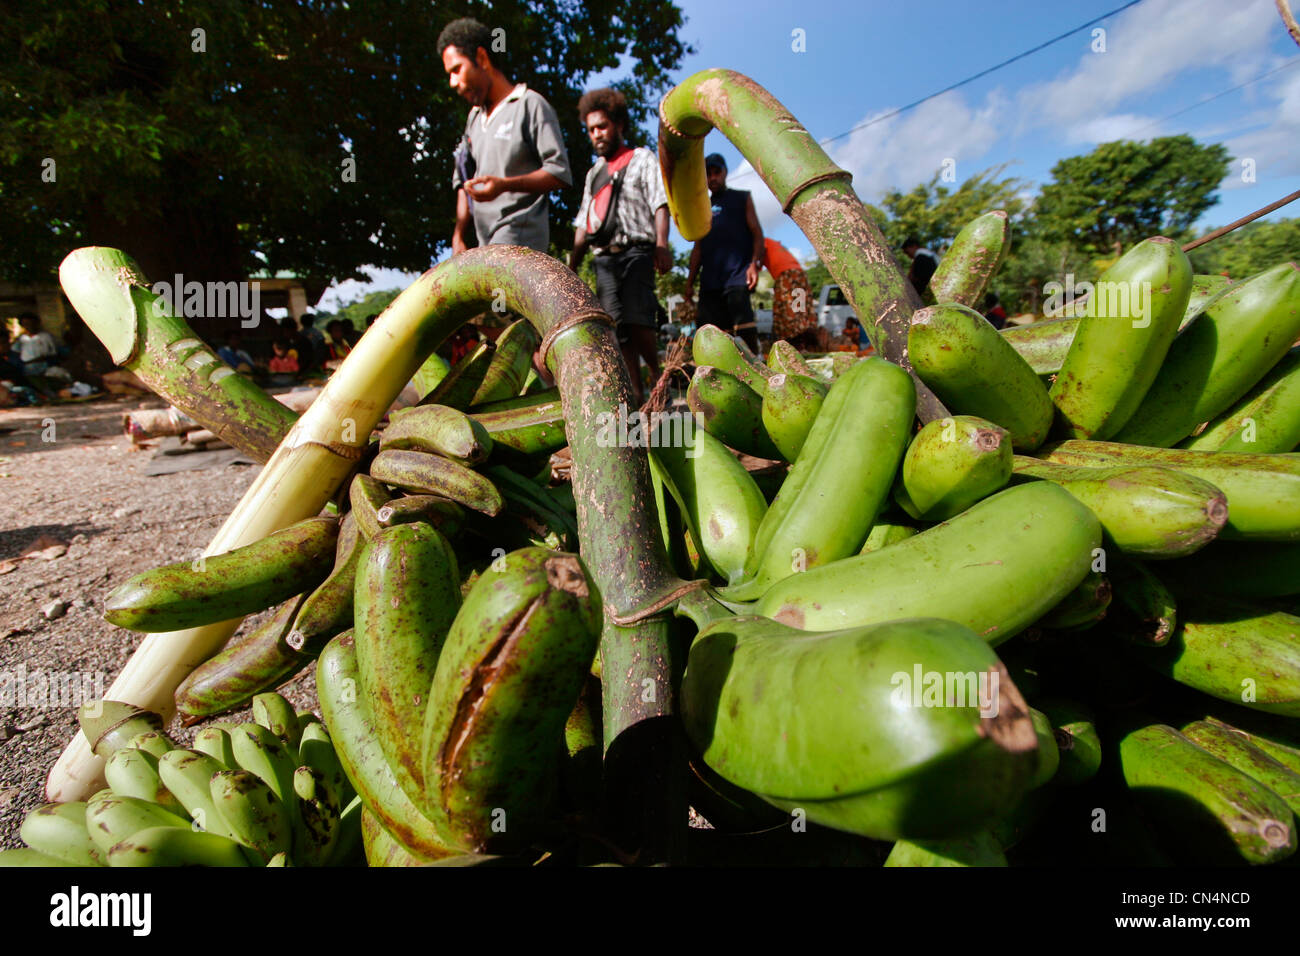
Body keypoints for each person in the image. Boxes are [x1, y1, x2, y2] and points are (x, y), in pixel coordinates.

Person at [569, 87, 670, 408]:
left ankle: (660, 378)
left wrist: (662, 244)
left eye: (602, 126)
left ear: (618, 125)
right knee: (616, 330)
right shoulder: (593, 174)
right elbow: (584, 224)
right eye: (591, 130)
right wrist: (570, 266)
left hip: (637, 252)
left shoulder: (641, 158)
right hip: (604, 261)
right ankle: (636, 396)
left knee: (640, 320)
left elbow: (660, 202)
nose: (596, 134)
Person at [440, 17, 572, 256]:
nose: (453, 82)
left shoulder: (529, 104)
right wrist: (458, 235)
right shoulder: (474, 120)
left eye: (457, 70)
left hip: (520, 238)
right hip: (485, 242)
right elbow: (463, 180)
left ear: (481, 58)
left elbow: (558, 172)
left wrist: (504, 186)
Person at [684, 154, 763, 352]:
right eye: (708, 174)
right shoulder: (702, 207)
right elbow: (698, 248)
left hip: (737, 278)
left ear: (725, 172)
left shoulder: (742, 198)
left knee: (745, 335)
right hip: (710, 283)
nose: (713, 178)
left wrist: (754, 264)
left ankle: (757, 376)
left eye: (716, 172)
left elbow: (757, 234)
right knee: (712, 339)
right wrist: (689, 282)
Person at [761, 238, 817, 349]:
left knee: (789, 313)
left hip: (788, 276)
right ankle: (803, 345)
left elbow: (757, 255)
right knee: (800, 312)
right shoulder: (771, 243)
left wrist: (754, 265)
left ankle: (796, 347)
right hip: (798, 275)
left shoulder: (760, 241)